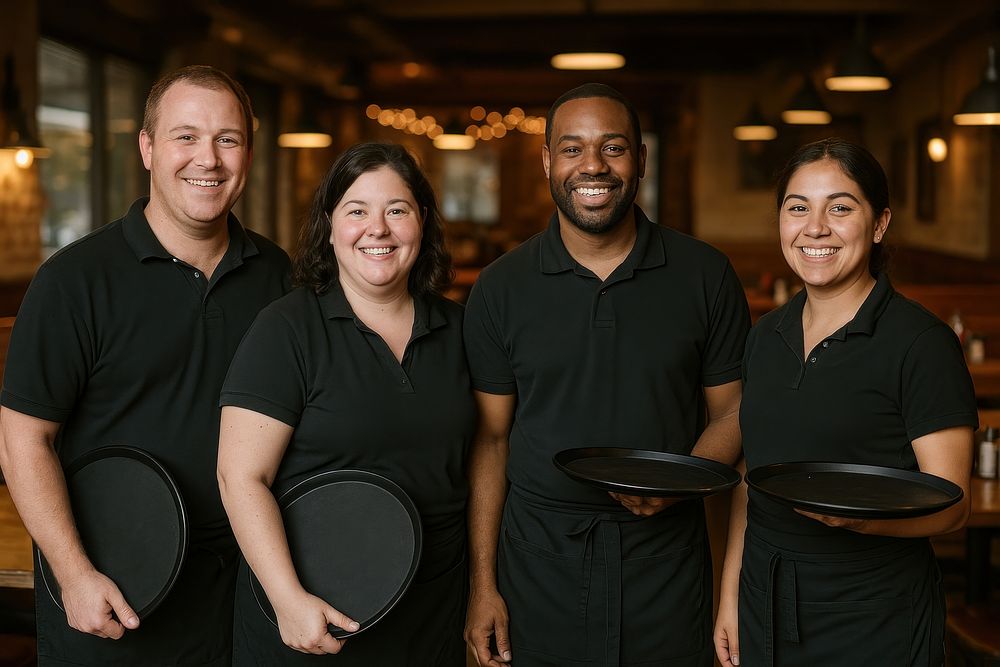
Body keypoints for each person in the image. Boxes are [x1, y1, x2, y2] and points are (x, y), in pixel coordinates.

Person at [0, 65, 290, 665]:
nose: (207, 159)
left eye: (227, 139)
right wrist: (75, 575)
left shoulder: (279, 277)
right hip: (113, 591)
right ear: (147, 148)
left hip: (241, 595)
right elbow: (22, 441)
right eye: (185, 136)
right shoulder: (74, 282)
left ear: (249, 153)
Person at [462, 83, 751, 667]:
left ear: (641, 159)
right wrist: (482, 585)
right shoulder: (500, 287)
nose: (593, 165)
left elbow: (735, 413)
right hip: (537, 565)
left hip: (669, 561)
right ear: (547, 161)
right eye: (572, 148)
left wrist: (683, 481)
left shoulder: (705, 274)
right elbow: (491, 440)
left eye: (613, 147)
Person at [713, 138, 976, 667]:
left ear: (879, 224)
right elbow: (751, 478)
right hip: (766, 599)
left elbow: (953, 509)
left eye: (840, 207)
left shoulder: (920, 343)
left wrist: (855, 521)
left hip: (874, 614)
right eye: (797, 208)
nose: (815, 227)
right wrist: (730, 594)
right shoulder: (766, 336)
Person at [217, 142, 473, 665]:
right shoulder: (287, 329)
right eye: (357, 211)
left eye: (396, 210)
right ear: (330, 224)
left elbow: (484, 459)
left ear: (421, 222)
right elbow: (240, 477)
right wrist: (288, 600)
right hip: (313, 615)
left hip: (432, 614)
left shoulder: (462, 331)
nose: (377, 229)